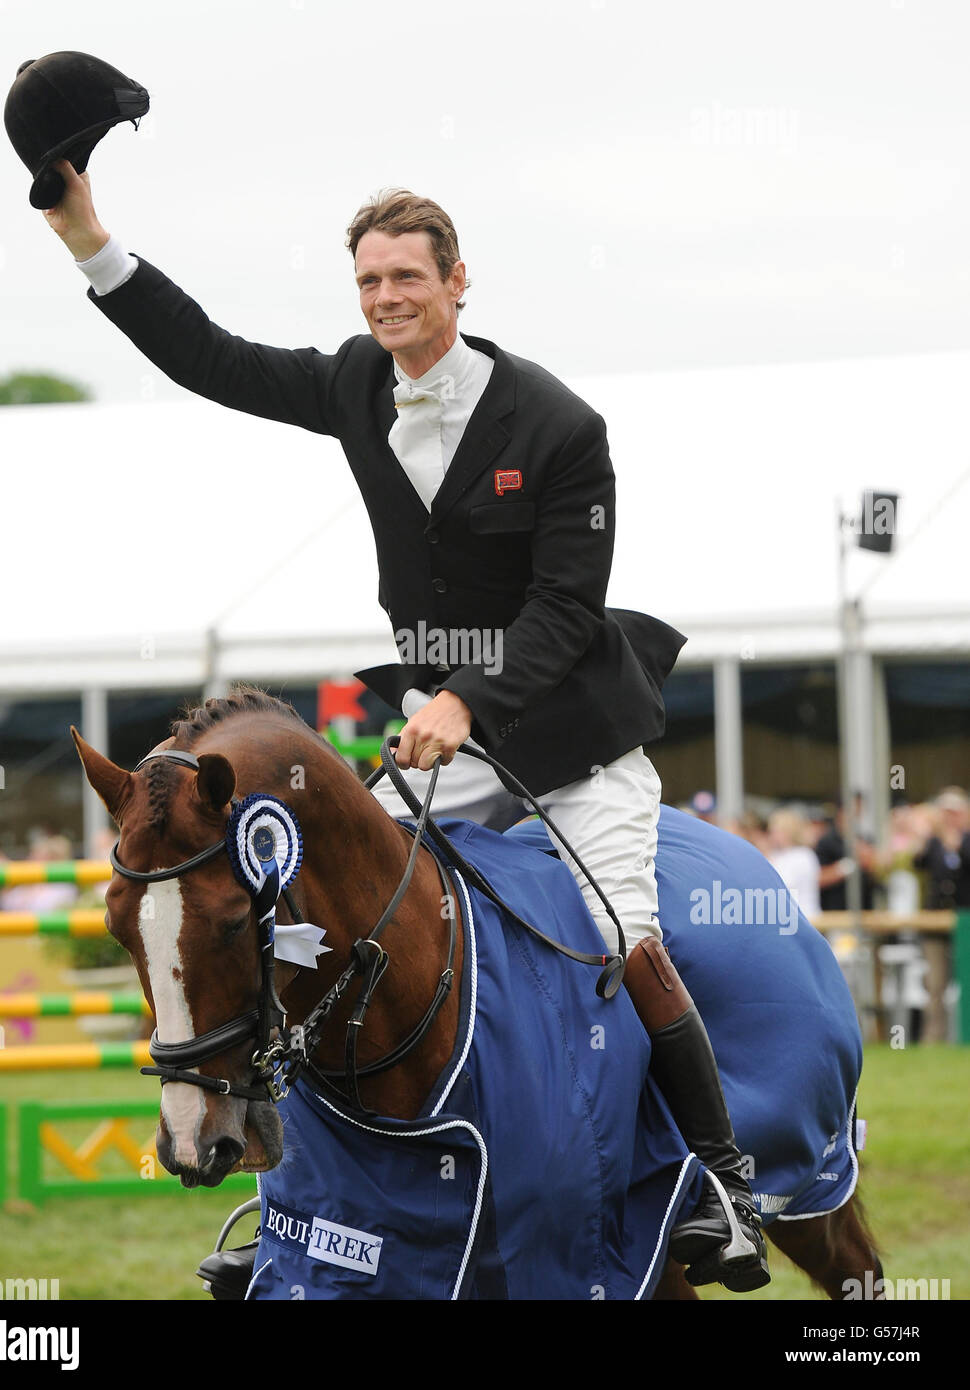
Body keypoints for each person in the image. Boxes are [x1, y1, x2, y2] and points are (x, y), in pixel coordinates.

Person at [39, 165, 767, 1290]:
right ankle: (300, 1209)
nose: (386, 298)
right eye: (369, 280)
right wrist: (88, 238)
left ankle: (720, 1182)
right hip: (442, 743)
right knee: (322, 919)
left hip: (570, 743)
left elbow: (566, 609)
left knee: (627, 937)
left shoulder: (561, 423)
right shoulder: (352, 385)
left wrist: (469, 697)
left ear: (457, 281)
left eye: (407, 277)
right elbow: (209, 356)